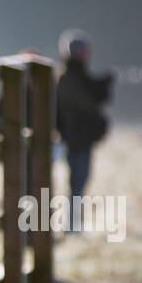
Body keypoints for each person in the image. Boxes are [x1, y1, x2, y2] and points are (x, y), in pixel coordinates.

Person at [55, 29, 114, 232]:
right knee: (77, 183)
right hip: (74, 139)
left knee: (80, 182)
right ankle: (71, 225)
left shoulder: (78, 75)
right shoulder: (67, 78)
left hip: (80, 139)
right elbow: (86, 104)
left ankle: (73, 224)